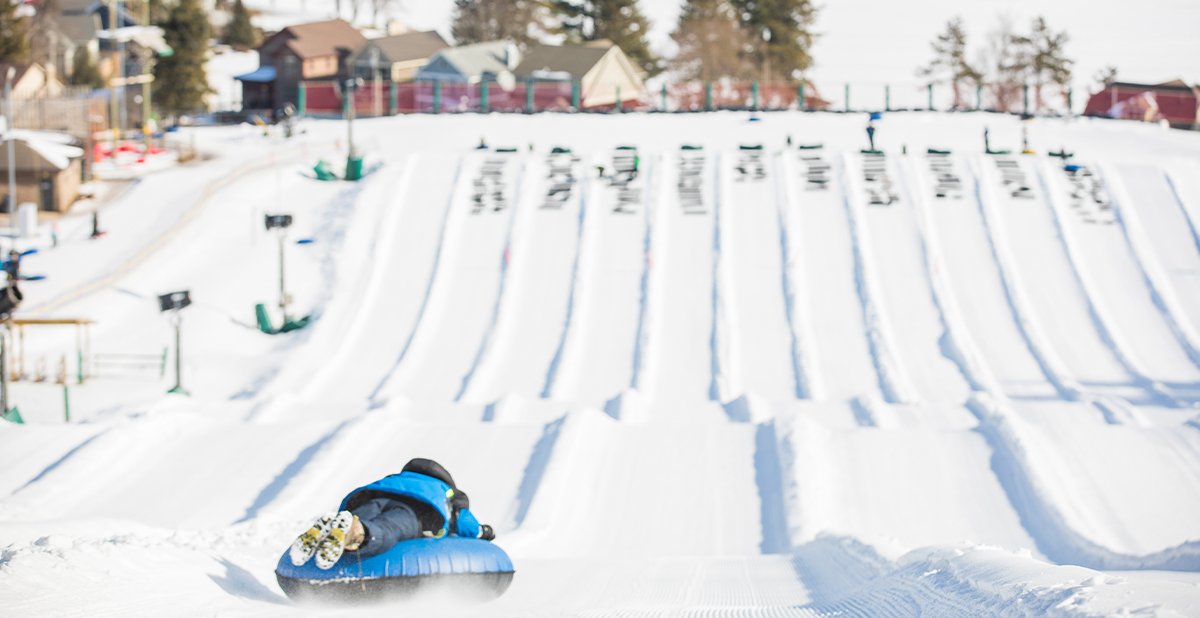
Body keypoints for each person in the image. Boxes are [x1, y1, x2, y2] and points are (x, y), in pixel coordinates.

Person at [290, 458, 495, 570]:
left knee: (364, 516)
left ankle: (334, 529)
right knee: (390, 527)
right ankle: (357, 533)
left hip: (373, 497)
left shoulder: (396, 478)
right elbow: (464, 521)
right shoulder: (447, 490)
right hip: (416, 509)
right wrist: (483, 532)